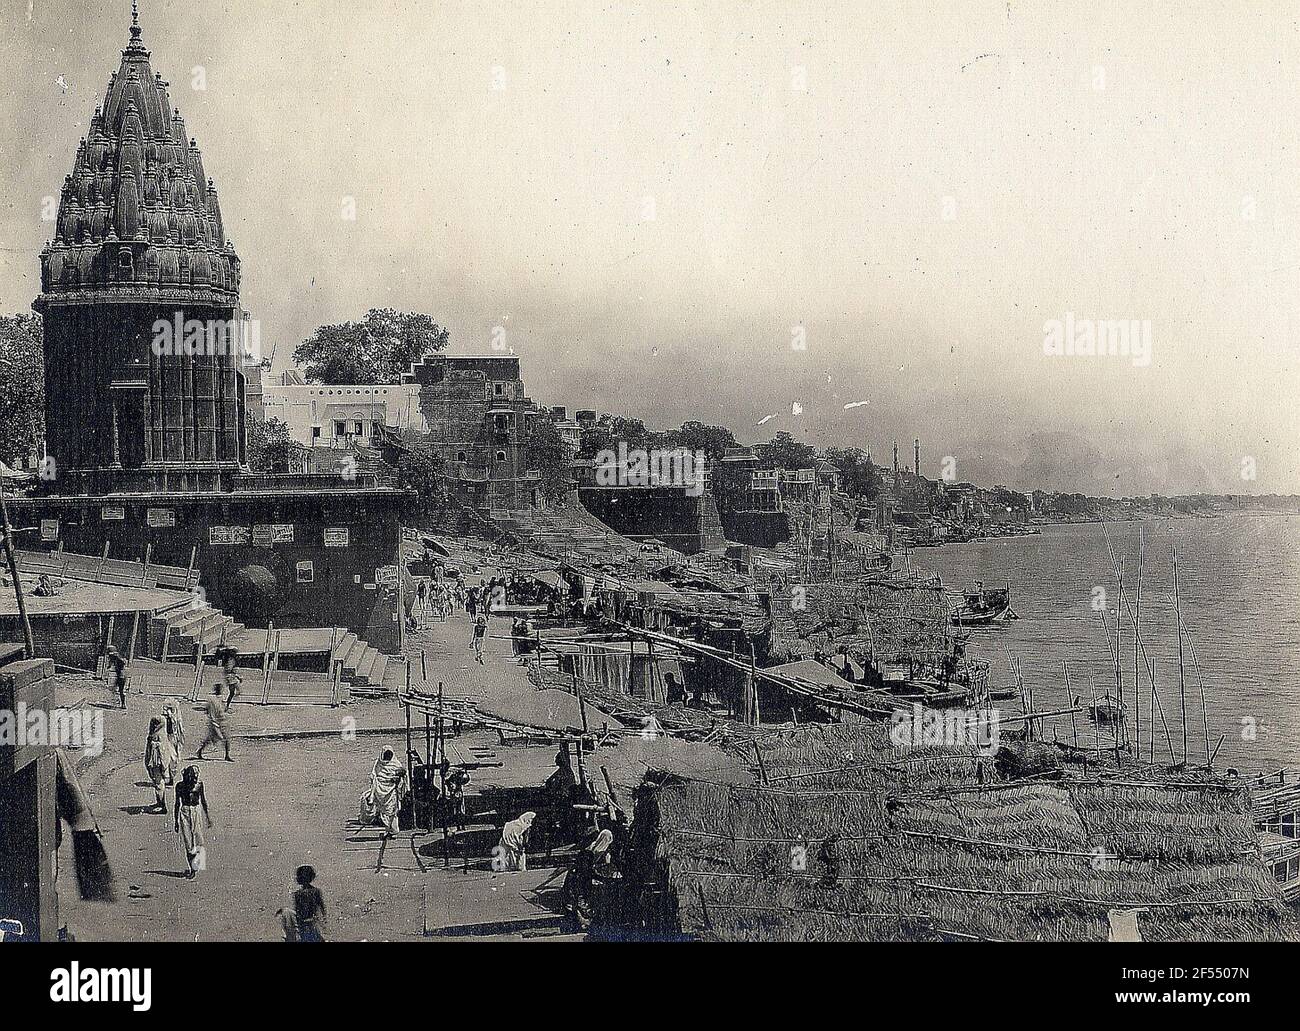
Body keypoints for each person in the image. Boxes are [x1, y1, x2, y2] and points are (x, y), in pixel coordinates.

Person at [359, 747, 408, 837]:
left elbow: (402, 776)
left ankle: (394, 830)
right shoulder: (378, 764)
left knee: (392, 811)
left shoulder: (395, 764)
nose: (387, 757)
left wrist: (396, 779)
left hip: (391, 791)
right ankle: (390, 831)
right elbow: (374, 777)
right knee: (384, 812)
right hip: (380, 791)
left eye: (389, 755)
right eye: (386, 755)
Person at [174, 765, 212, 879]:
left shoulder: (199, 785)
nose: (194, 780)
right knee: (188, 842)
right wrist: (176, 821)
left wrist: (207, 817)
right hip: (184, 812)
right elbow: (177, 803)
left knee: (199, 840)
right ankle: (192, 869)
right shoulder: (180, 786)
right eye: (192, 778)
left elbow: (203, 801)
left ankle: (196, 862)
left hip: (196, 811)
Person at [197, 684, 233, 762]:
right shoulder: (211, 699)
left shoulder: (220, 698)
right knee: (210, 739)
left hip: (222, 721)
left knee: (227, 738)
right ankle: (200, 751)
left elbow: (223, 708)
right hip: (215, 722)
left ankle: (227, 755)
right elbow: (207, 709)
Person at [293, 865, 327, 942]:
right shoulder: (316, 891)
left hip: (303, 924)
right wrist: (323, 921)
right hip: (314, 923)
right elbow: (322, 908)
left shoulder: (298, 894)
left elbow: (297, 911)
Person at [143, 716, 171, 812]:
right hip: (159, 762)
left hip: (157, 763)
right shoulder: (163, 733)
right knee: (157, 783)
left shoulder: (157, 735)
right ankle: (159, 802)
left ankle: (162, 805)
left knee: (159, 783)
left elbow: (157, 751)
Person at [161, 699, 185, 785]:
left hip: (172, 739)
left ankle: (170, 777)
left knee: (173, 758)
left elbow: (179, 730)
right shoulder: (164, 718)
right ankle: (167, 777)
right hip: (166, 739)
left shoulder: (175, 719)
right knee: (167, 758)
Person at [216, 645, 241, 710]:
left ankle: (227, 706)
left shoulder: (231, 659)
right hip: (230, 677)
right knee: (233, 691)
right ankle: (225, 706)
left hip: (231, 677)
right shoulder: (229, 660)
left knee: (232, 692)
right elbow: (229, 670)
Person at [105, 645, 128, 710]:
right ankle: (119, 702)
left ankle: (123, 704)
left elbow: (123, 662)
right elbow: (110, 664)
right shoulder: (114, 658)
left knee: (121, 690)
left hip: (122, 676)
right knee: (115, 689)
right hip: (119, 676)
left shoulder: (117, 657)